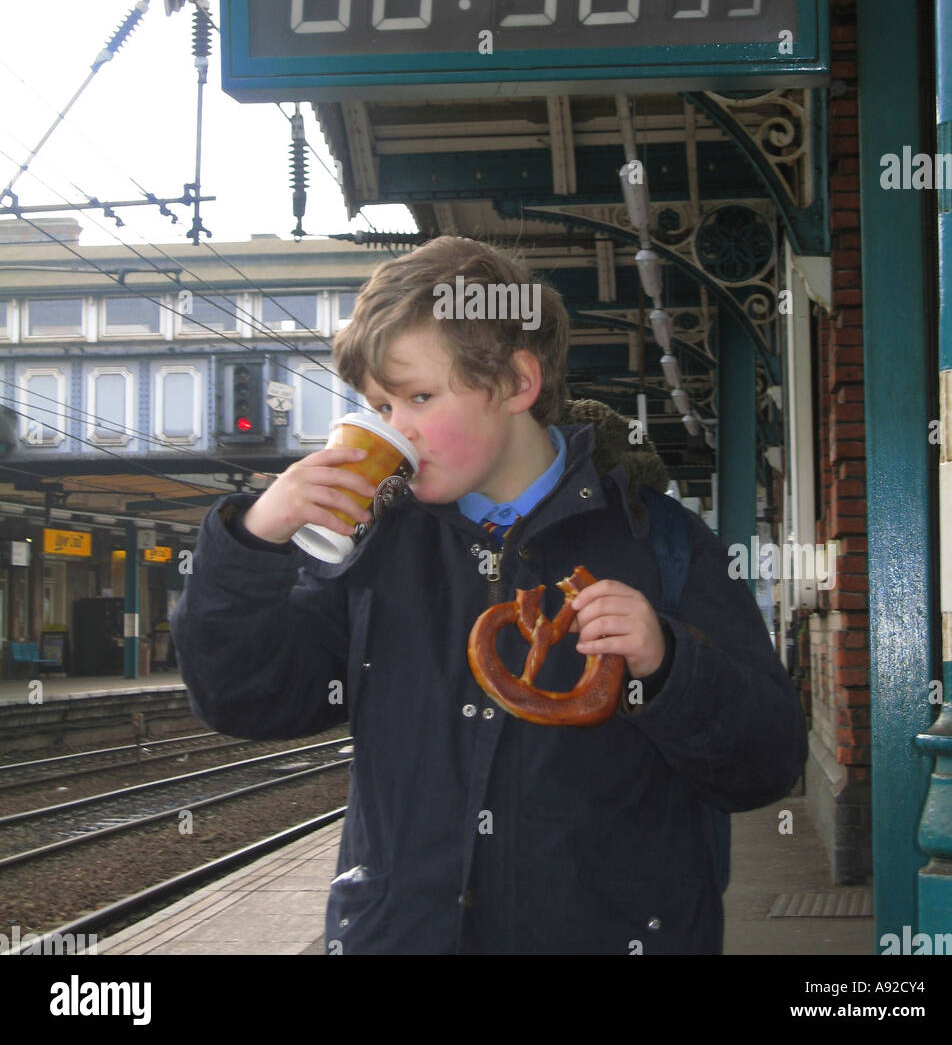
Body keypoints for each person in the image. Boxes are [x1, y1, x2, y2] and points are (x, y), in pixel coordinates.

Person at [171, 236, 807, 955]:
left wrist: (666, 665)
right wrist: (254, 542)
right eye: (379, 404)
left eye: (418, 396)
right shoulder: (373, 549)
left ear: (515, 385)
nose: (394, 427)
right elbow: (246, 701)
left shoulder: (659, 541)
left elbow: (765, 765)